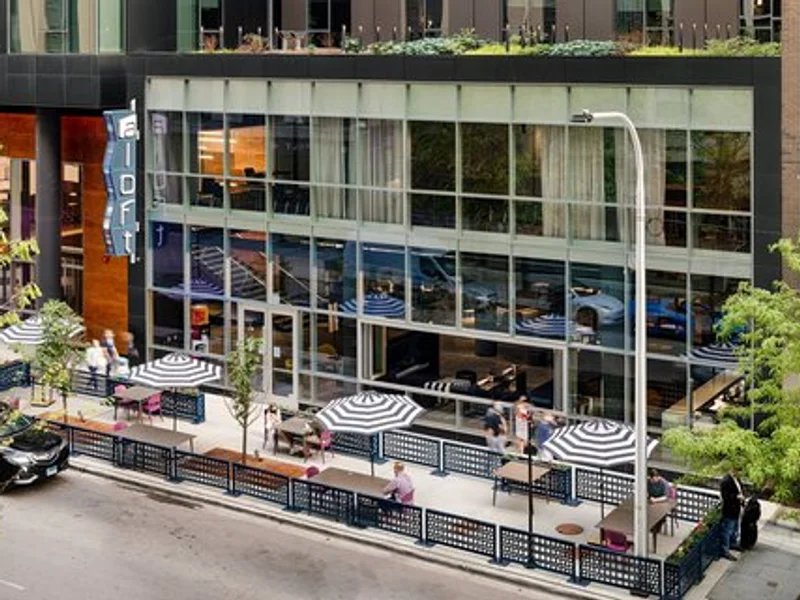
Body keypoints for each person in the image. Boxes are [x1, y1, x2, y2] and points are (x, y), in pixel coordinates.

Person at [720, 467, 745, 560]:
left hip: (736, 509)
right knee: (727, 530)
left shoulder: (736, 479)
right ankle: (725, 550)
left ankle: (732, 543)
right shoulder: (726, 481)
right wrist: (737, 497)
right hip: (729, 509)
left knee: (734, 527)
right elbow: (726, 497)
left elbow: (740, 490)